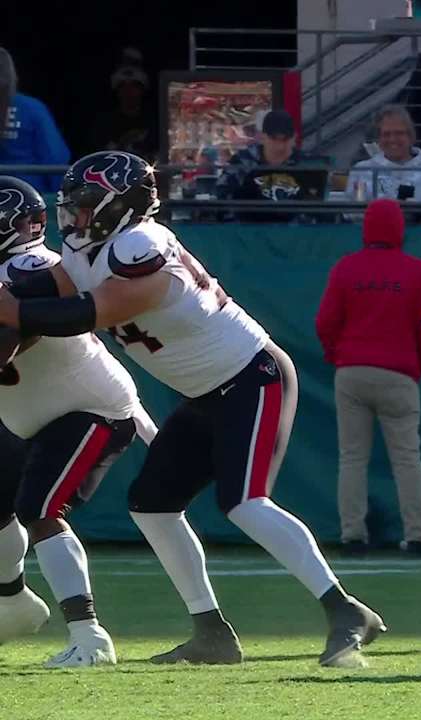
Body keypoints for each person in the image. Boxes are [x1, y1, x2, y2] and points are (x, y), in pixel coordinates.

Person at [0, 151, 384, 668]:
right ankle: (212, 633)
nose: (74, 216)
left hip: (252, 375)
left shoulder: (142, 245)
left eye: (87, 204)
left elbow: (91, 311)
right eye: (73, 205)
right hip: (205, 393)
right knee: (152, 504)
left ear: (121, 205)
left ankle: (345, 610)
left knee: (245, 502)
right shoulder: (85, 249)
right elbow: (50, 286)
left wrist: (15, 309)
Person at [0, 176, 157, 668]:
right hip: (35, 417)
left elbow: (18, 329)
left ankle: (89, 636)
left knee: (41, 508)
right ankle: (13, 603)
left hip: (91, 407)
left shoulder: (32, 264)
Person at [316, 198, 421, 557]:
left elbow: (325, 322)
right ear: (400, 229)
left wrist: (337, 356)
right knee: (407, 459)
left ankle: (352, 535)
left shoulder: (346, 269)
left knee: (352, 458)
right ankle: (419, 537)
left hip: (351, 372)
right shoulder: (417, 271)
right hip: (400, 374)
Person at [344, 104, 421, 223]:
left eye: (399, 133)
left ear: (411, 136)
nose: (392, 139)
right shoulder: (362, 171)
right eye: (386, 134)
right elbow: (353, 212)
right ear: (378, 139)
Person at [215, 110, 328, 222]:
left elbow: (316, 208)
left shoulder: (307, 165)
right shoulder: (243, 161)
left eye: (285, 139)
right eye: (274, 139)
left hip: (294, 234)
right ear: (263, 137)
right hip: (249, 232)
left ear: (294, 138)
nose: (280, 146)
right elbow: (223, 198)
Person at [0, 48, 70, 194]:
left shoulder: (32, 108)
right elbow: (55, 157)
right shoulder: (32, 108)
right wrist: (58, 199)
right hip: (26, 199)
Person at [92, 50, 156, 160]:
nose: (129, 91)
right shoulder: (103, 123)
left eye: (134, 86)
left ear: (142, 90)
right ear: (117, 90)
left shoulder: (155, 122)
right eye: (123, 87)